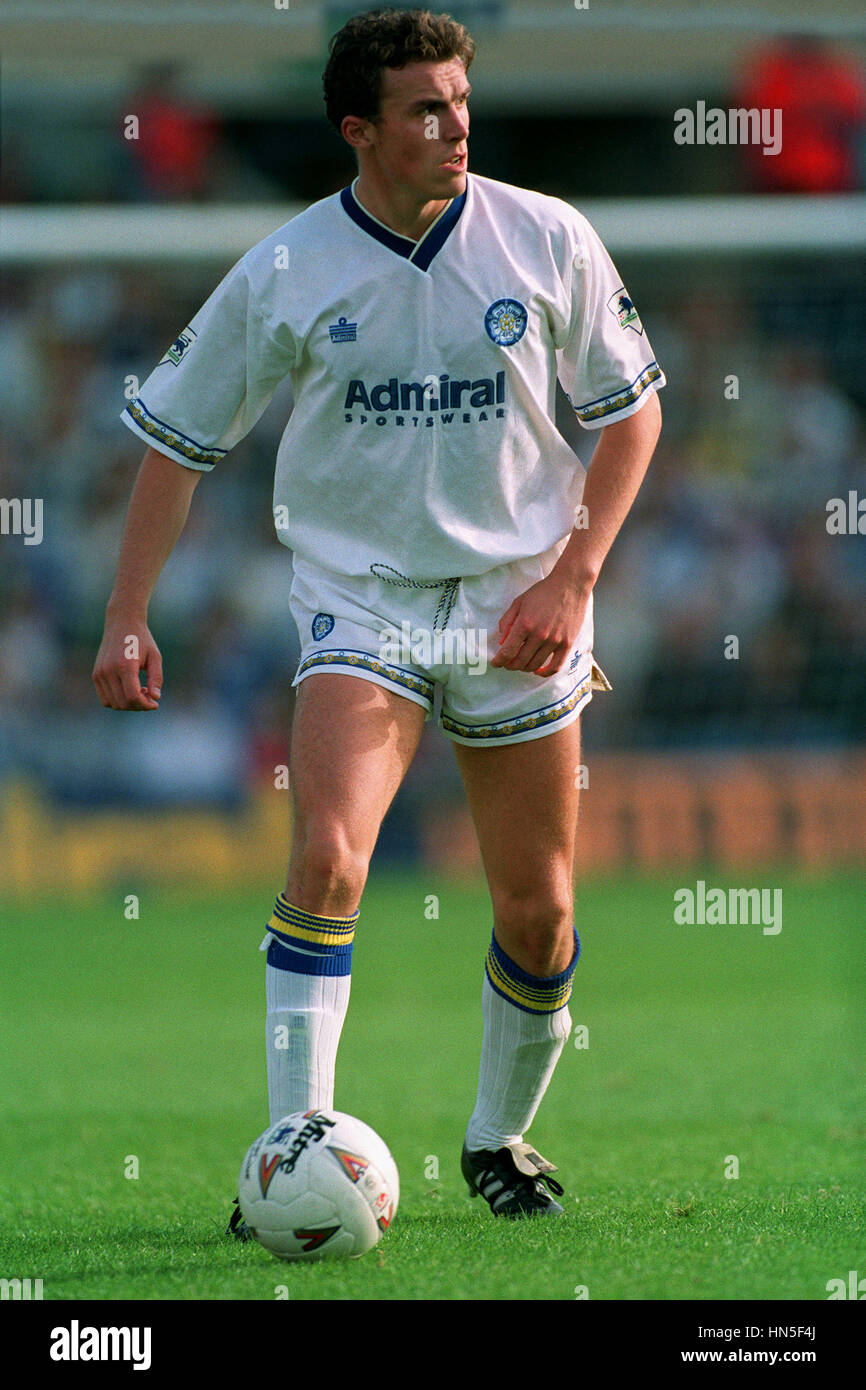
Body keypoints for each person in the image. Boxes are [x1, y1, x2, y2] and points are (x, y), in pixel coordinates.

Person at [93, 7, 664, 1223]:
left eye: (459, 99)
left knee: (538, 905)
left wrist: (571, 576)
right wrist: (127, 614)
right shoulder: (287, 266)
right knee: (327, 857)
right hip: (360, 598)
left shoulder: (545, 236)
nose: (455, 124)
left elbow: (630, 416)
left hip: (520, 603)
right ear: (359, 130)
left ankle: (497, 1140)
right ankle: (288, 1156)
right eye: (423, 108)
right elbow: (174, 447)